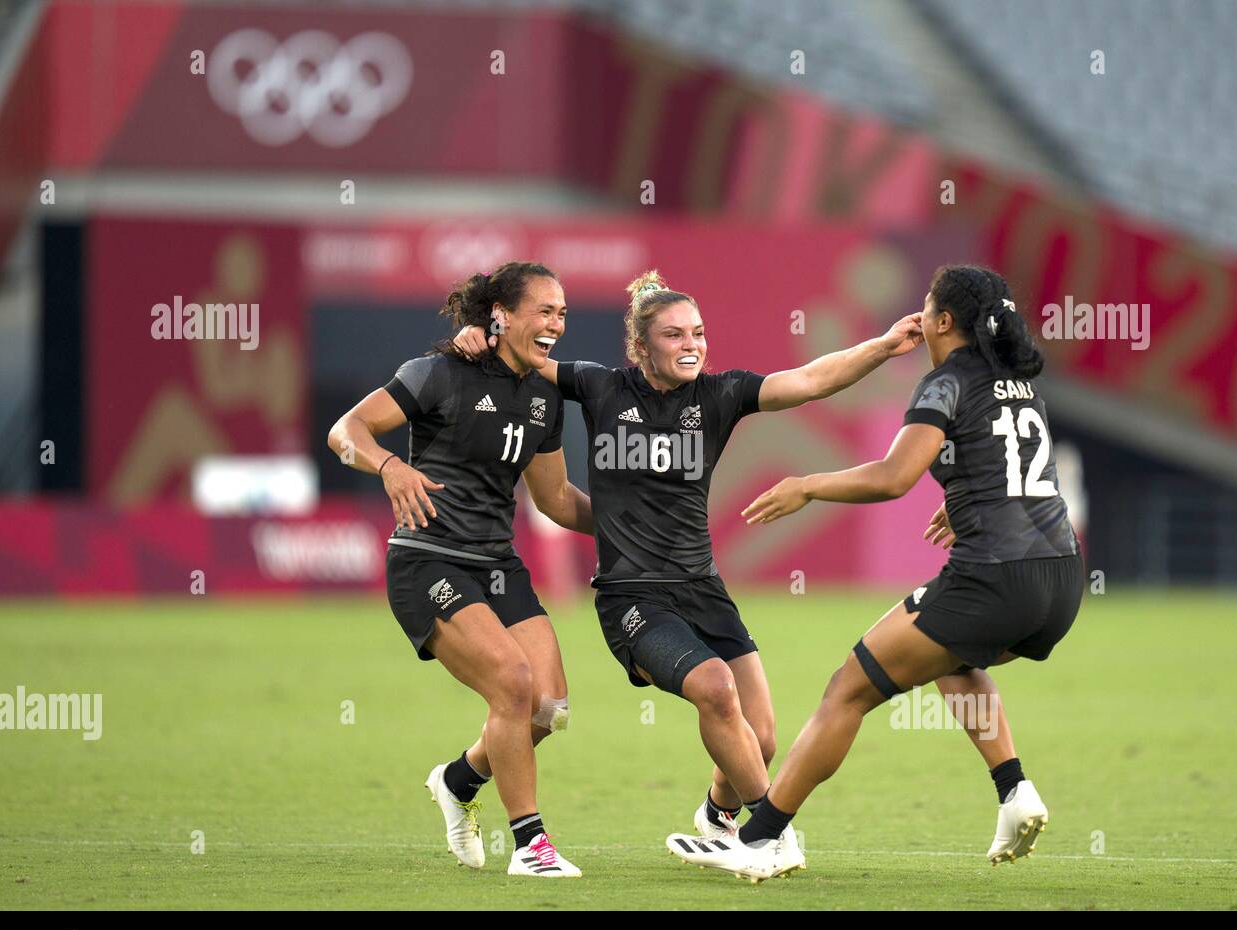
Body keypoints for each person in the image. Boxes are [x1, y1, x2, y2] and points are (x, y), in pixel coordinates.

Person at [453, 270, 923, 869]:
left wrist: (883, 345)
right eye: (674, 335)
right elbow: (519, 355)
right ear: (641, 348)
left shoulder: (720, 395)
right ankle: (766, 834)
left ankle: (717, 819)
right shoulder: (600, 387)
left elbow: (807, 381)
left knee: (763, 737)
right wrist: (481, 333)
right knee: (714, 688)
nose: (691, 345)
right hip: (631, 597)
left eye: (698, 333)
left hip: (703, 589)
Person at [667, 264, 1084, 882]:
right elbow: (1017, 466)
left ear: (944, 321)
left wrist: (808, 485)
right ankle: (1013, 788)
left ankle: (757, 840)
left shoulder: (945, 383)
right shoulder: (1020, 382)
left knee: (848, 690)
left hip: (995, 578)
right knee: (951, 658)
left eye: (926, 307)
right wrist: (963, 498)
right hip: (1061, 580)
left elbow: (893, 477)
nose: (919, 317)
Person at [327, 261, 592, 878]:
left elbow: (555, 501)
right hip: (428, 559)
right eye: (543, 311)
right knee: (512, 683)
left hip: (497, 565)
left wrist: (632, 522)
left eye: (562, 313)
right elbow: (347, 429)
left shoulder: (545, 397)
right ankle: (531, 845)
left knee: (547, 708)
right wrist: (390, 467)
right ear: (500, 316)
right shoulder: (439, 373)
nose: (556, 324)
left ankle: (457, 781)